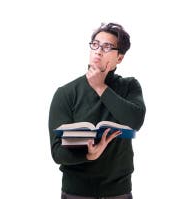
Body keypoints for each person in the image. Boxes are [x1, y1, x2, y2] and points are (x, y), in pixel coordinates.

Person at [48, 22, 145, 199]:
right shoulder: (66, 93)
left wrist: (100, 87)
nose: (99, 51)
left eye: (107, 47)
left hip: (118, 191)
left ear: (120, 58)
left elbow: (135, 120)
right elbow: (57, 152)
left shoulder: (130, 86)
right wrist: (88, 155)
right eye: (95, 45)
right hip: (76, 191)